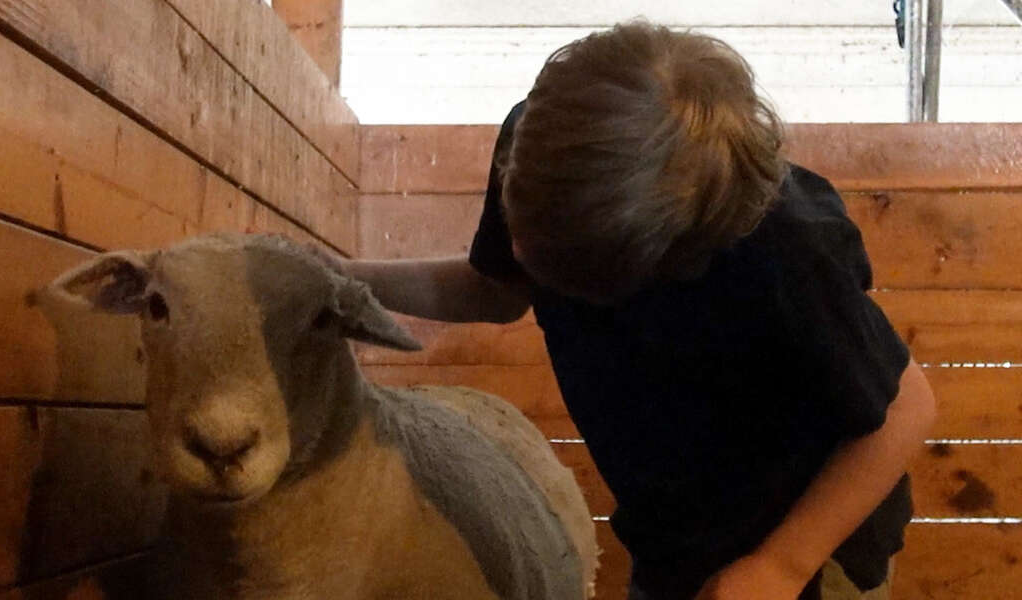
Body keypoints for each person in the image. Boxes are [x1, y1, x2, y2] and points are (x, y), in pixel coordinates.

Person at [340, 22, 936, 600]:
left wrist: (779, 567)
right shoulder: (547, 150)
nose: (518, 249)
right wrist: (342, 279)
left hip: (810, 541)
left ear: (657, 259)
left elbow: (906, 406)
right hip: (669, 535)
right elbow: (497, 288)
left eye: (557, 264)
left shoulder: (783, 251)